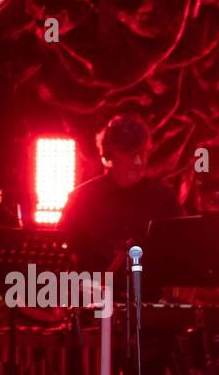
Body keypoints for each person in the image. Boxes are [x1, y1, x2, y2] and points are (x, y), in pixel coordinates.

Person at [59, 114, 182, 272]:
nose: (139, 162)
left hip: (148, 293)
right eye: (131, 154)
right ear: (108, 155)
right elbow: (62, 251)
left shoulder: (163, 196)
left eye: (143, 153)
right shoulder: (83, 198)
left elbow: (182, 250)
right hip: (95, 292)